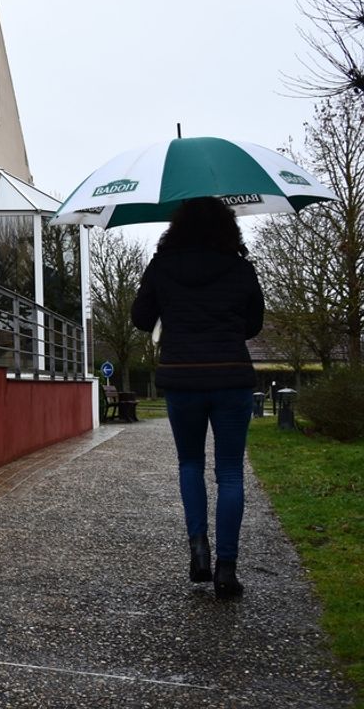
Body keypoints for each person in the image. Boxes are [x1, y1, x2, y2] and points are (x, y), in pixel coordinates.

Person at [132, 197, 264, 599]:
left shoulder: (162, 266)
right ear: (228, 227)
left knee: (189, 463)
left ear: (178, 227)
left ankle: (198, 552)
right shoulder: (241, 268)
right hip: (230, 377)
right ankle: (227, 570)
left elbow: (140, 317)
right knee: (230, 472)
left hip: (182, 379)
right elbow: (254, 325)